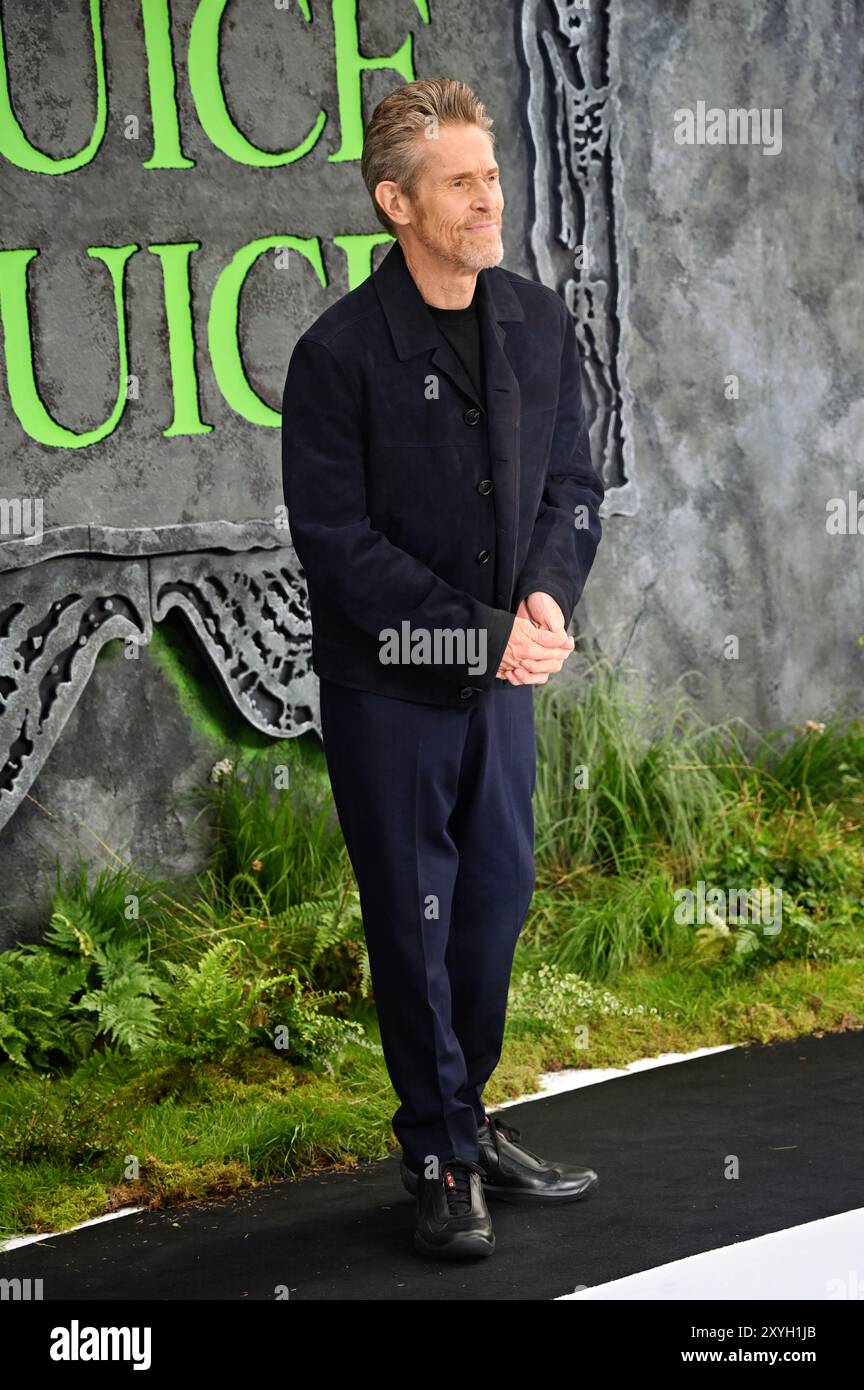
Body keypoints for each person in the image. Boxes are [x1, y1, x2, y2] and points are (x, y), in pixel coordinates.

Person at [281, 76, 604, 1261]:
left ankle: (463, 1115)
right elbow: (337, 547)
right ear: (395, 204)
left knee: (494, 903)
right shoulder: (336, 358)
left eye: (492, 176)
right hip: (390, 692)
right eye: (461, 183)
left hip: (500, 683)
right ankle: (436, 1159)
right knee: (412, 929)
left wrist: (543, 595)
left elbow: (573, 485)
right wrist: (480, 633)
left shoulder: (533, 321)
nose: (489, 198)